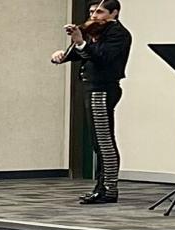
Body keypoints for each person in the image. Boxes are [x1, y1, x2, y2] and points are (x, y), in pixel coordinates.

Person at [53, 1, 133, 205]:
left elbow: (101, 57)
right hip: (92, 88)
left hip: (103, 89)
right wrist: (62, 55)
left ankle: (109, 189)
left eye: (99, 12)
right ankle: (101, 187)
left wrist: (81, 42)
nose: (93, 16)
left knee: (104, 141)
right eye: (91, 12)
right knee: (97, 141)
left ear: (114, 13)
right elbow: (81, 53)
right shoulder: (94, 31)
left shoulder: (118, 34)